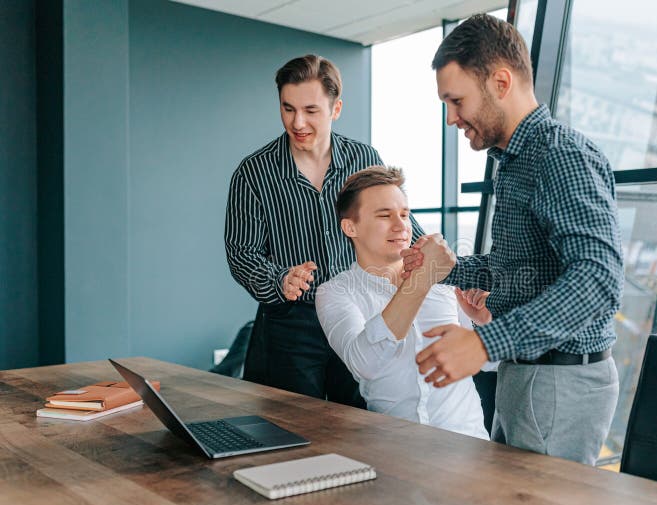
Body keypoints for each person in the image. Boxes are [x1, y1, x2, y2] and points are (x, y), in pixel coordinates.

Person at [402, 14, 624, 465]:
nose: (451, 118)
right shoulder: (517, 161)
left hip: (559, 382)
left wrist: (483, 344)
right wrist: (451, 269)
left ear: (500, 81)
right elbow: (525, 269)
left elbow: (599, 280)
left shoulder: (558, 155)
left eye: (456, 100)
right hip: (528, 374)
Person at [225, 55, 424, 407]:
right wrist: (278, 280)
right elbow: (242, 254)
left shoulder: (364, 159)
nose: (297, 122)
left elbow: (402, 225)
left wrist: (443, 265)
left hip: (360, 314)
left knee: (361, 424)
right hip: (290, 324)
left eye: (310, 110)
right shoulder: (253, 174)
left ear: (336, 109)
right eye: (288, 109)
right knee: (288, 429)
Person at [315, 166, 489, 439]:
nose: (401, 226)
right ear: (351, 227)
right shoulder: (336, 293)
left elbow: (488, 363)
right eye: (385, 216)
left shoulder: (445, 281)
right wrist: (420, 282)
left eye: (405, 215)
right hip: (394, 450)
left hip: (469, 444)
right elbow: (365, 363)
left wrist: (484, 323)